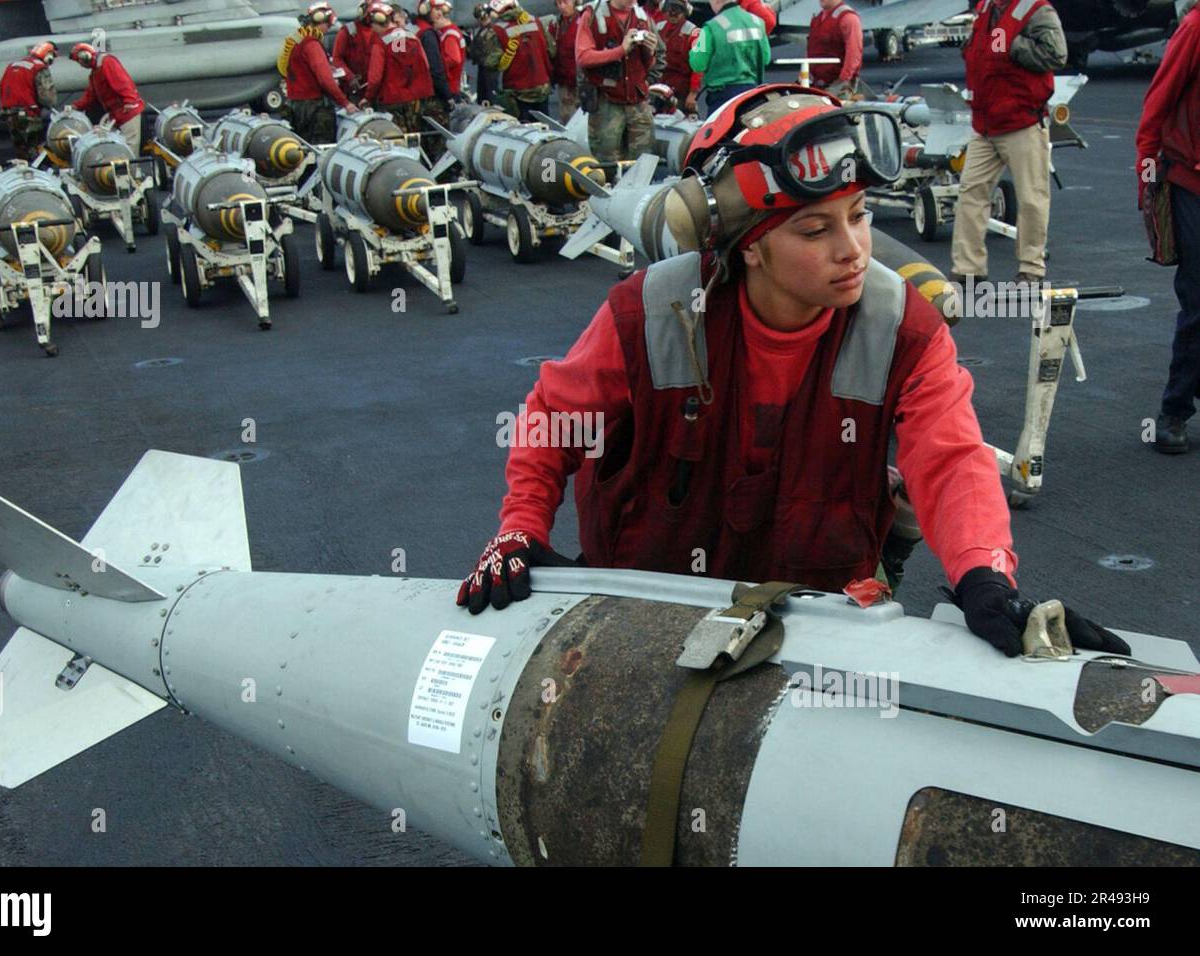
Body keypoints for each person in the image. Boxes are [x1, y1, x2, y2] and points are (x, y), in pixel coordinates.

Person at [455, 83, 1131, 662]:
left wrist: (987, 579)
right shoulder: (653, 314)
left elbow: (951, 459)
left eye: (859, 216)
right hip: (647, 618)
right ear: (748, 248)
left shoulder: (901, 328)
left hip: (814, 628)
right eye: (815, 231)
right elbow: (552, 421)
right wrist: (519, 529)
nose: (854, 251)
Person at [950, 0, 1066, 286]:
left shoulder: (1036, 9)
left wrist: (1013, 46)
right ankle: (968, 268)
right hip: (987, 124)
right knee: (970, 192)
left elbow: (1056, 54)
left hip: (1021, 123)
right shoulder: (987, 11)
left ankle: (1031, 269)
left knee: (1031, 199)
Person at [1136, 0, 1200, 454]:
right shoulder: (1195, 28)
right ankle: (1174, 411)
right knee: (1199, 302)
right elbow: (1156, 102)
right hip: (1192, 186)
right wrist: (1146, 180)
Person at [575, 0, 658, 165]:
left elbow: (648, 65)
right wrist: (620, 50)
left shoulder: (642, 17)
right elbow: (582, 57)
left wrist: (650, 50)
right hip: (607, 102)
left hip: (637, 102)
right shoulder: (592, 14)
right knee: (607, 163)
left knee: (643, 162)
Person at [281, 1, 358, 145]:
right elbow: (325, 79)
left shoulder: (297, 40)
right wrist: (345, 103)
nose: (328, 29)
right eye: (327, 25)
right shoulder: (312, 45)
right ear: (320, 22)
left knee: (303, 148)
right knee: (322, 148)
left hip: (296, 105)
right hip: (313, 108)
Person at [687, 0, 773, 116]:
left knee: (719, 133)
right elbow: (766, 58)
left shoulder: (710, 27)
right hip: (752, 94)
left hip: (723, 98)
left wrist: (695, 48)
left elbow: (697, 64)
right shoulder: (757, 22)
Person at [362, 1, 435, 134]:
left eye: (372, 25)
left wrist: (367, 97)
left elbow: (375, 78)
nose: (372, 29)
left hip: (393, 100)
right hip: (417, 100)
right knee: (415, 139)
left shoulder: (380, 43)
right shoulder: (411, 36)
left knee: (397, 140)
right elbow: (426, 64)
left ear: (377, 21)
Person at [481, 0, 556, 122]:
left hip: (517, 92)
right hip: (542, 87)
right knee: (545, 127)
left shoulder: (497, 30)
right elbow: (551, 50)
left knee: (521, 130)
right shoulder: (536, 21)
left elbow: (491, 63)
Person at [70, 42, 145, 153]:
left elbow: (123, 81)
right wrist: (76, 106)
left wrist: (129, 101)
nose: (80, 65)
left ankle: (131, 169)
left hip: (127, 111)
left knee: (130, 147)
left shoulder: (107, 62)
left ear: (85, 56)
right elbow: (91, 95)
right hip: (117, 113)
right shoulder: (95, 72)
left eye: (79, 61)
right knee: (113, 144)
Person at [0, 42, 58, 160]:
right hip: (27, 114)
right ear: (48, 55)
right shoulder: (39, 67)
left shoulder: (13, 65)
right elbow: (46, 97)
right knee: (34, 150)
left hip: (8, 113)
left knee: (20, 149)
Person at [414, 0, 456, 150]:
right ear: (425, 10)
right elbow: (436, 69)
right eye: (436, 10)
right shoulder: (428, 35)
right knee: (441, 142)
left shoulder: (413, 30)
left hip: (416, 97)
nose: (440, 13)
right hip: (433, 97)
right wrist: (448, 95)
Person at [806, 0, 862, 99]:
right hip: (817, 83)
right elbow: (811, 49)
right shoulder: (818, 19)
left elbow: (854, 53)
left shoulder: (849, 18)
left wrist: (843, 81)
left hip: (838, 85)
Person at [657, 0, 700, 114]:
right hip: (658, 86)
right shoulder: (658, 28)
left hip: (681, 91)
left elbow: (699, 67)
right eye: (670, 8)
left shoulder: (695, 33)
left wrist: (693, 93)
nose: (673, 13)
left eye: (678, 9)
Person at [542, 0, 581, 122]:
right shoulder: (556, 25)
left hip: (583, 82)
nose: (562, 7)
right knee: (567, 120)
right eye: (559, 3)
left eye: (566, 2)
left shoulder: (585, 21)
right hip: (564, 81)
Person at [332, 2, 377, 100]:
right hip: (354, 89)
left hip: (376, 89)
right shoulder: (347, 31)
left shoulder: (381, 31)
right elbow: (337, 59)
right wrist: (350, 77)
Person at [430, 0, 468, 100]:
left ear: (440, 17)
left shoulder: (449, 35)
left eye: (433, 22)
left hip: (450, 87)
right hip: (454, 85)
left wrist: (435, 65)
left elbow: (454, 59)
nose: (432, 25)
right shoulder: (453, 31)